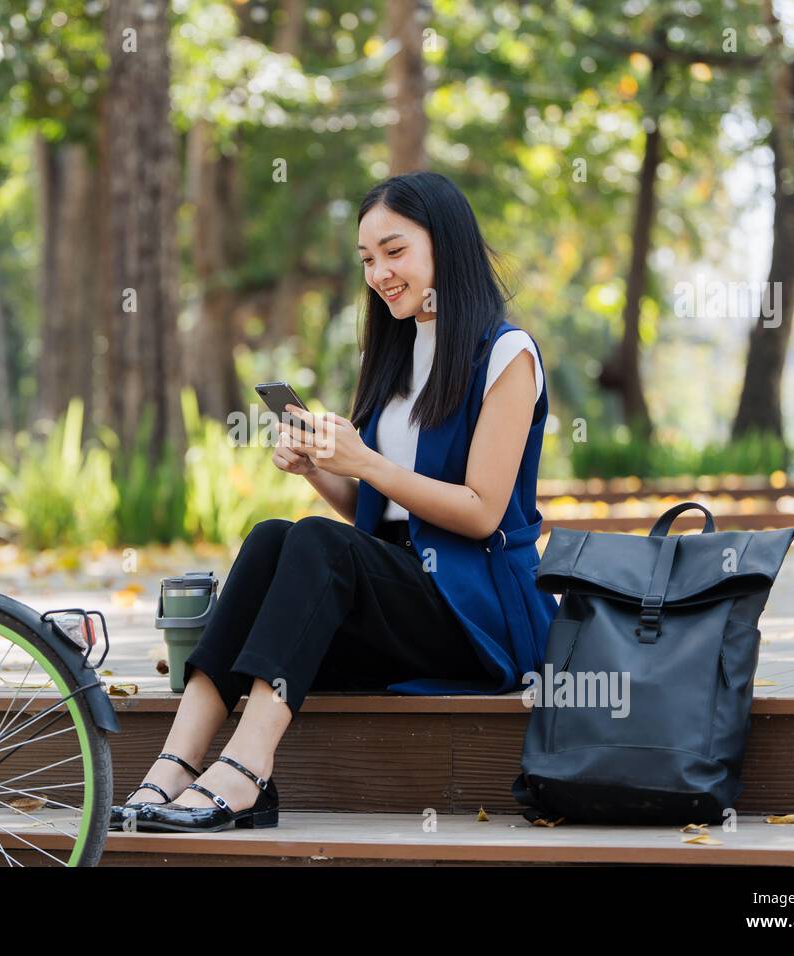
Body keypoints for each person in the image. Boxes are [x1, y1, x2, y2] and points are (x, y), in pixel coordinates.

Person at [112, 170, 557, 834]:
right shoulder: (396, 355)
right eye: (368, 259)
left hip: (478, 613)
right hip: (403, 597)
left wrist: (366, 461)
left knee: (318, 543)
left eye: (395, 250)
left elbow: (481, 512)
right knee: (271, 537)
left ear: (447, 242)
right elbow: (376, 516)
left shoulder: (505, 353)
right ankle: (174, 764)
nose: (380, 273)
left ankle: (246, 772)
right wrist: (322, 470)